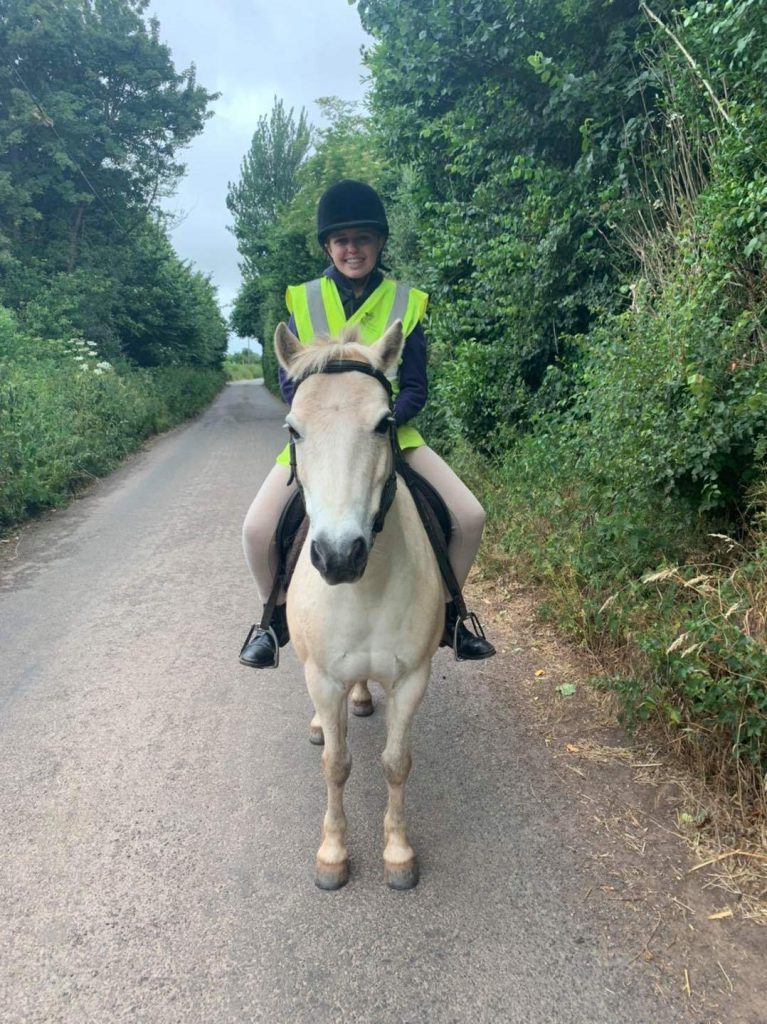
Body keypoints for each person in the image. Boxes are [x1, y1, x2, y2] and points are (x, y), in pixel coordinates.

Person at [240, 179, 495, 667]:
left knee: (469, 516)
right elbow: (291, 381)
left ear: (379, 243)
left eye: (362, 239)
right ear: (328, 247)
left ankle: (450, 618)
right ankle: (272, 623)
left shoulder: (407, 302)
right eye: (342, 240)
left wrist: (379, 422)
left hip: (389, 434)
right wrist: (328, 424)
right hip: (318, 440)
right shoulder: (305, 300)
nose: (352, 249)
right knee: (255, 529)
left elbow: (416, 385)